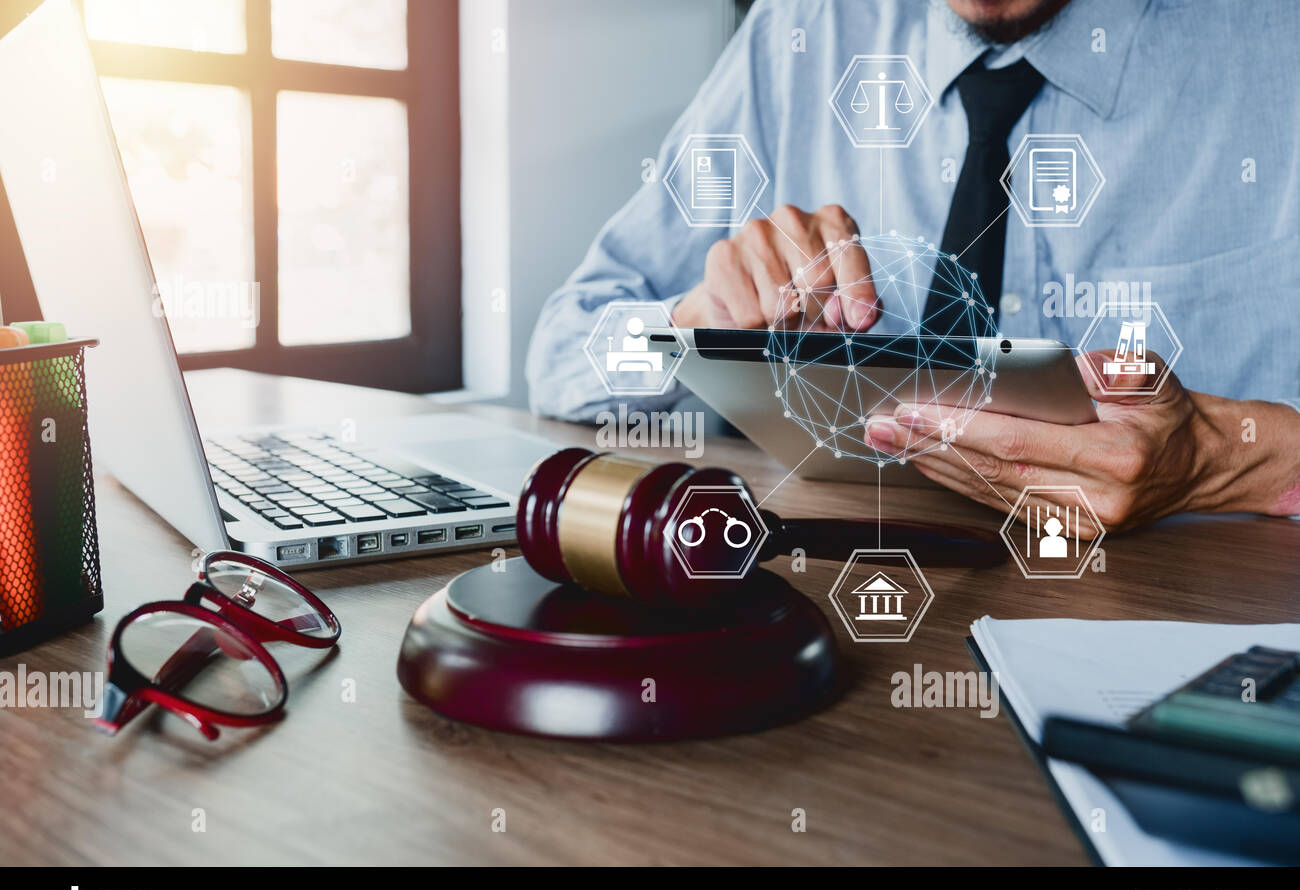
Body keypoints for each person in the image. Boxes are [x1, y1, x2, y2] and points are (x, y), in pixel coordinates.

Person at [526, 0, 1300, 531]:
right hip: (857, 615)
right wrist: (698, 325)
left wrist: (1220, 460)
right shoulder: (800, 32)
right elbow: (560, 353)